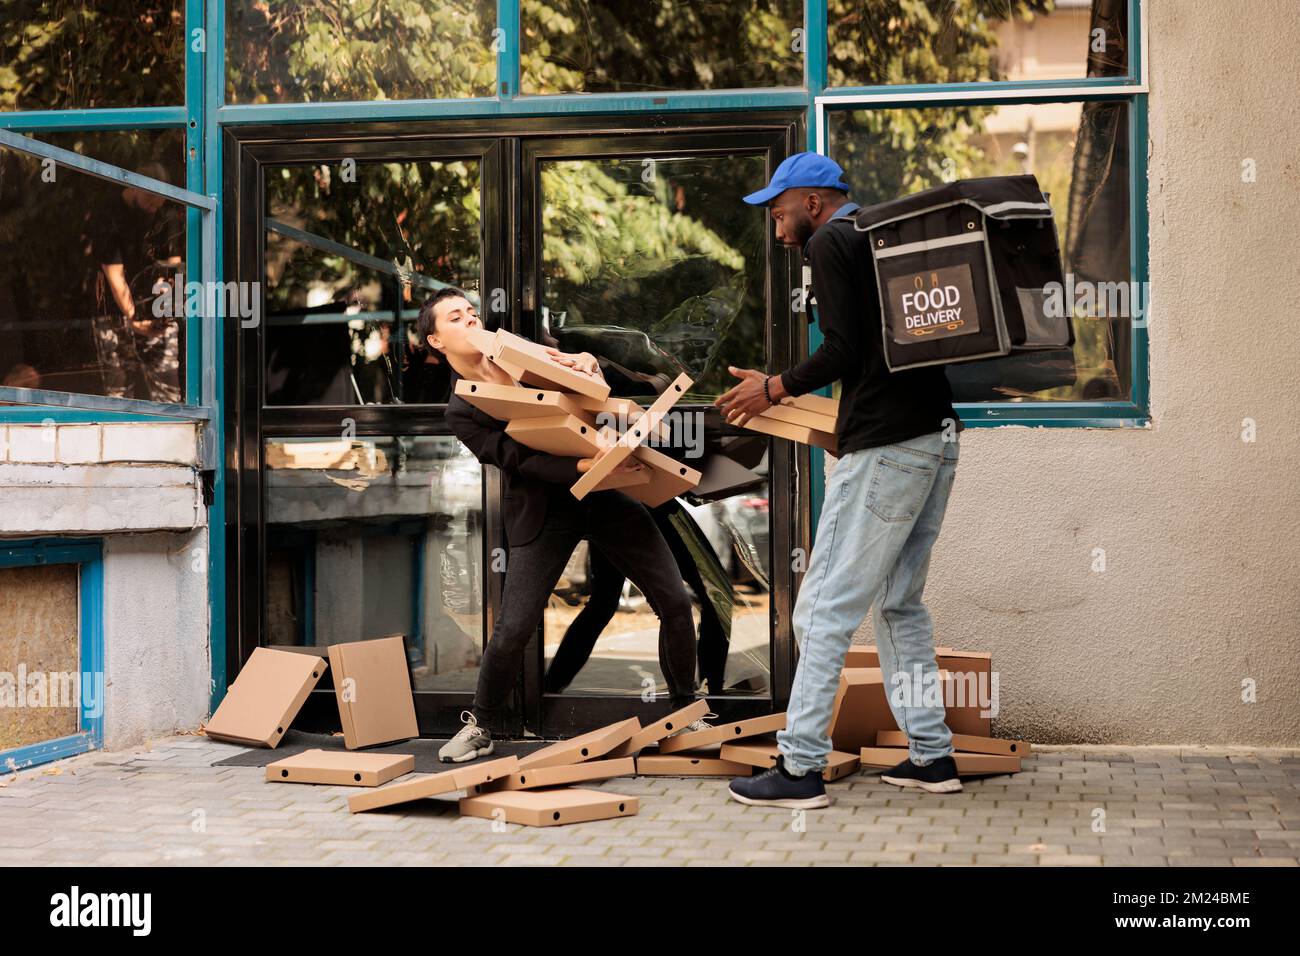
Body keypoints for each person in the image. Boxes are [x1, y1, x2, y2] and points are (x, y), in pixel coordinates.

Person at [717, 152, 964, 809]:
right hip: (936, 440)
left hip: (888, 450)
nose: (775, 224)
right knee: (900, 604)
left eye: (779, 209)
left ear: (814, 203)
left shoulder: (830, 241)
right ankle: (932, 756)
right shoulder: (875, 241)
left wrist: (773, 388)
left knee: (822, 610)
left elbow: (843, 350)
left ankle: (799, 769)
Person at [419, 287, 708, 762]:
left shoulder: (522, 354)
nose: (470, 320)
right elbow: (512, 458)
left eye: (472, 312)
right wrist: (579, 468)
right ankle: (482, 725)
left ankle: (685, 710)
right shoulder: (461, 410)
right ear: (436, 341)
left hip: (606, 495)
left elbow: (591, 392)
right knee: (513, 629)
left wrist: (586, 364)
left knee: (675, 602)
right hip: (546, 508)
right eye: (456, 317)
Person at [88, 162, 183, 403]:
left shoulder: (165, 214)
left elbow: (171, 266)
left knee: (169, 393)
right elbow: (114, 275)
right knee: (118, 396)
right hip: (114, 311)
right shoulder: (108, 215)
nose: (155, 203)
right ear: (133, 187)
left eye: (159, 198)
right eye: (150, 196)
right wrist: (134, 317)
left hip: (156, 309)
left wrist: (163, 312)